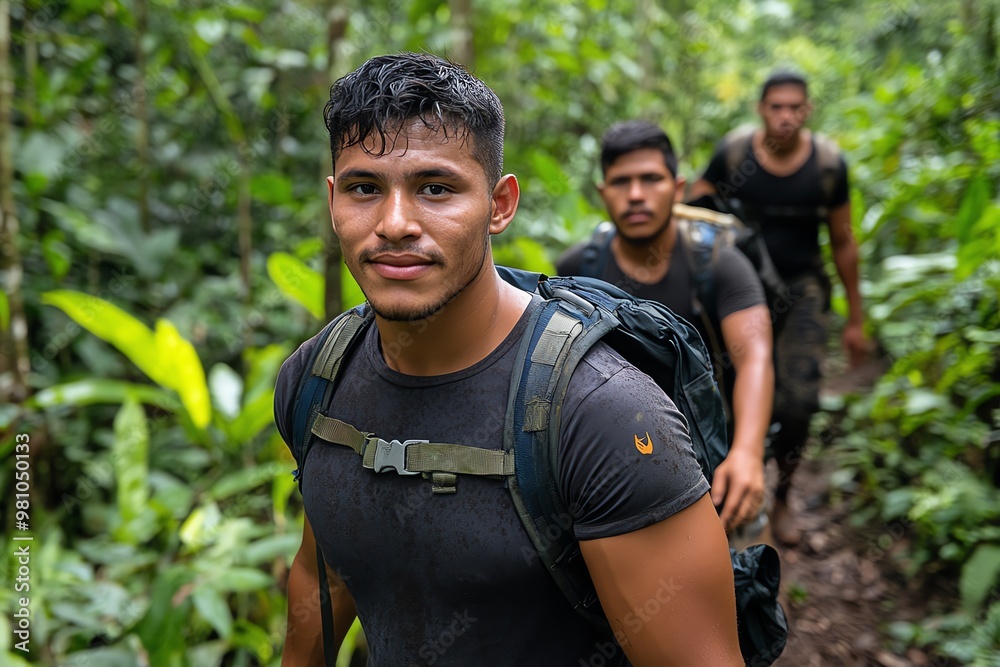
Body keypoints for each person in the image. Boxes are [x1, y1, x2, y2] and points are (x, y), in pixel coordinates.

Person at [274, 53, 743, 666]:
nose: (394, 224)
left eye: (435, 189)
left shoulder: (604, 416)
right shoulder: (317, 380)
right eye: (365, 189)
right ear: (334, 201)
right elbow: (325, 581)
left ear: (500, 204)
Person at [556, 121, 775, 547]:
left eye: (651, 179)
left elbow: (755, 357)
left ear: (678, 188)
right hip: (614, 461)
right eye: (621, 182)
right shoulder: (579, 269)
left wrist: (748, 453)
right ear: (603, 193)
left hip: (715, 449)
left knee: (741, 576)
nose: (636, 194)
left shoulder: (718, 264)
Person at [689, 70, 867, 546]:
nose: (785, 117)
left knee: (799, 402)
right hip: (739, 291)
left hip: (802, 290)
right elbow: (694, 203)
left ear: (807, 110)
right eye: (776, 107)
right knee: (728, 391)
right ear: (761, 108)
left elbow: (844, 241)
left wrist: (855, 317)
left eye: (795, 108)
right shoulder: (734, 154)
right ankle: (727, 493)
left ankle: (783, 494)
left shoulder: (827, 165)